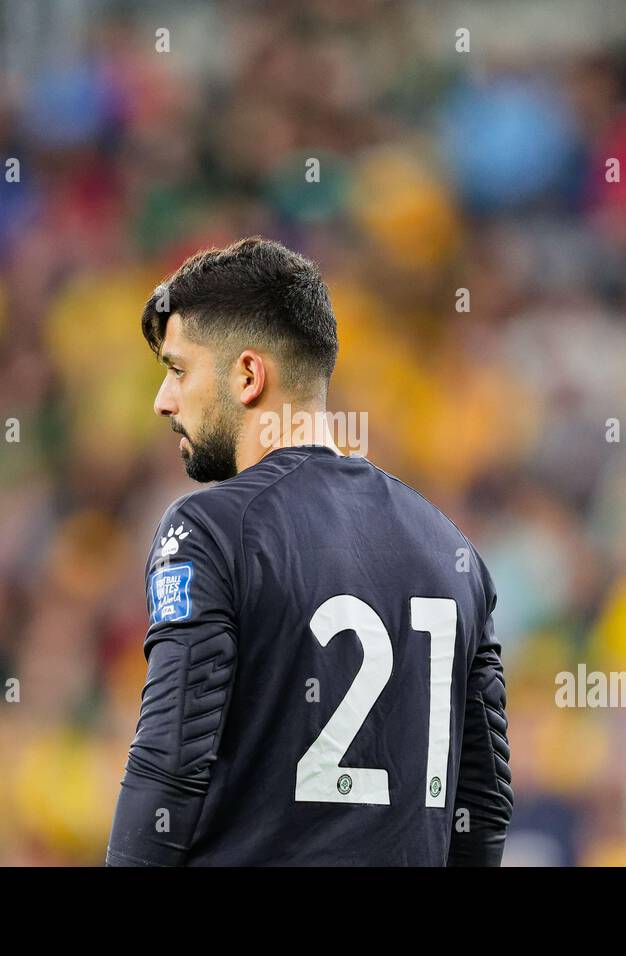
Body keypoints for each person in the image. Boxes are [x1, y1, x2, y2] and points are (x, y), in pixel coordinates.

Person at [105, 237, 512, 865]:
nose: (163, 398)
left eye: (179, 369)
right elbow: (480, 809)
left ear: (248, 375)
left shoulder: (212, 529)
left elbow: (169, 766)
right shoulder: (451, 550)